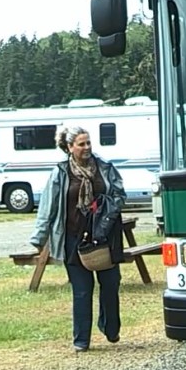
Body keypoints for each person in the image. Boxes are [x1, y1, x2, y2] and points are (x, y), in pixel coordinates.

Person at [29, 126, 126, 352]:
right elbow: (48, 206)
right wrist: (39, 238)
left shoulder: (104, 166)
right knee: (82, 290)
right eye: (81, 144)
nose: (87, 148)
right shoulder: (61, 172)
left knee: (111, 283)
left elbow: (120, 194)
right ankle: (81, 340)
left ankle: (110, 327)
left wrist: (107, 208)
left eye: (88, 143)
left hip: (104, 236)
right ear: (69, 147)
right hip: (74, 239)